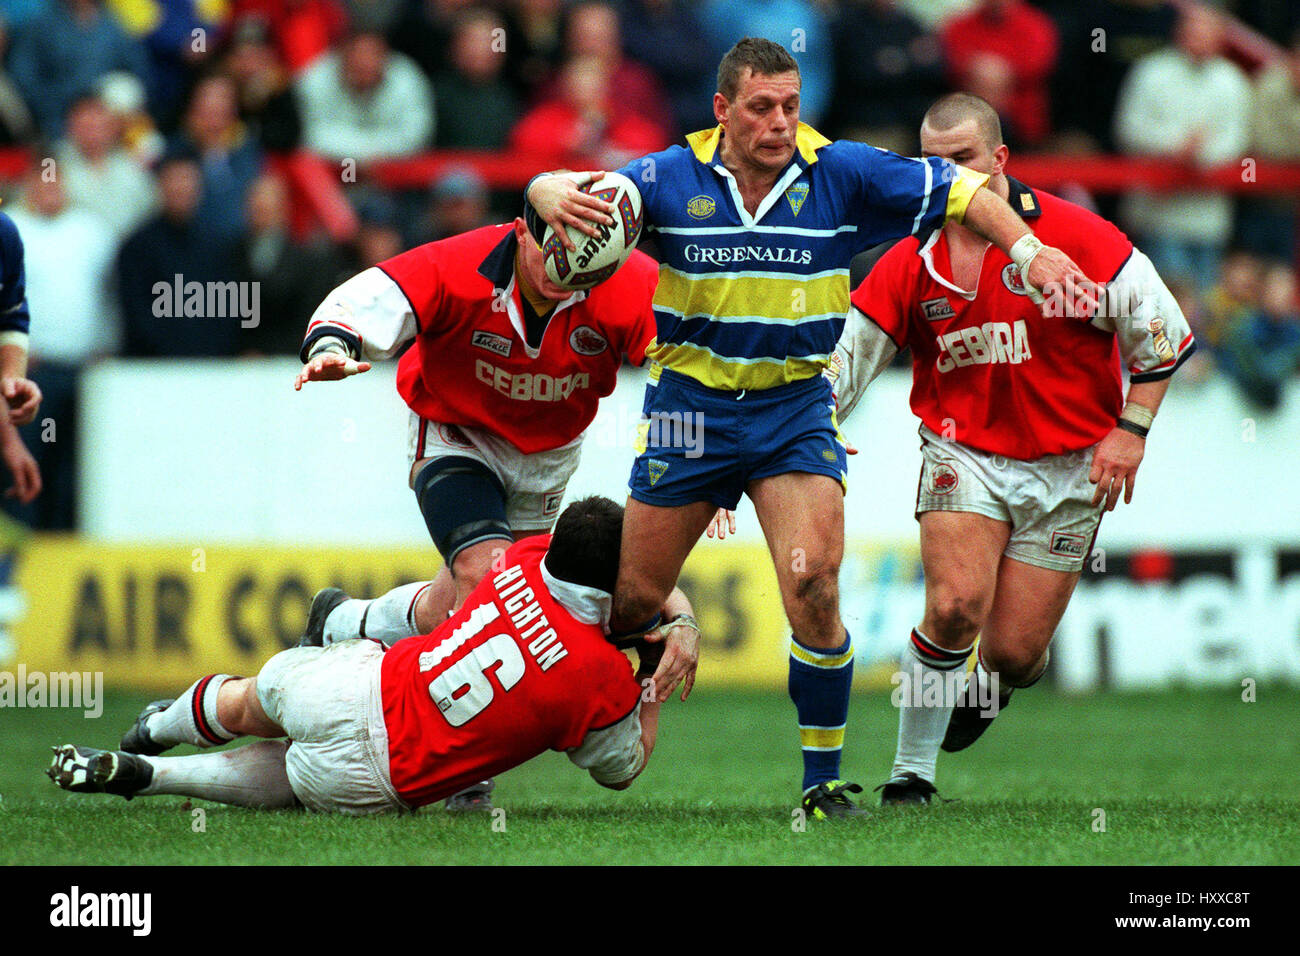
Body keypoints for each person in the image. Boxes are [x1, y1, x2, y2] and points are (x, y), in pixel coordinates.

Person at [526, 37, 1098, 819]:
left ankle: (821, 786)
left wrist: (1027, 248)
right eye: (762, 107)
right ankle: (558, 701)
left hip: (793, 412)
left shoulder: (843, 172)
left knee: (815, 585)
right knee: (632, 602)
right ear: (722, 110)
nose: (781, 122)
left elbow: (966, 192)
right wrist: (543, 186)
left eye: (791, 106)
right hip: (689, 415)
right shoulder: (664, 178)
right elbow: (574, 197)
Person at [827, 93, 1196, 804]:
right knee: (956, 607)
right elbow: (848, 361)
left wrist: (1132, 429)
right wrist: (810, 429)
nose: (949, 177)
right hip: (963, 454)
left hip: (1072, 466)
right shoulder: (910, 258)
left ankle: (989, 689)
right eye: (933, 164)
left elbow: (1162, 337)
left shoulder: (1079, 239)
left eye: (962, 160)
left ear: (1000, 160)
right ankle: (912, 776)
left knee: (1016, 656)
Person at [292, 213, 663, 810]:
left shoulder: (627, 278)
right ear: (521, 233)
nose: (568, 274)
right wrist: (334, 343)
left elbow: (697, 369)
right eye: (554, 254)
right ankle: (466, 770)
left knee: (493, 600)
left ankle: (343, 621)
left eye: (586, 267)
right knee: (488, 575)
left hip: (547, 455)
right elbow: (378, 293)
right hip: (454, 430)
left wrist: (703, 460)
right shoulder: (461, 262)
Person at [49, 497, 688, 813]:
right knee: (290, 776)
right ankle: (158, 781)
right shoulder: (600, 677)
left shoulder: (521, 559)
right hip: (385, 774)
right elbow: (621, 767)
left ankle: (155, 729)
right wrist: (651, 684)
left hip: (358, 684)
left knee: (249, 701)